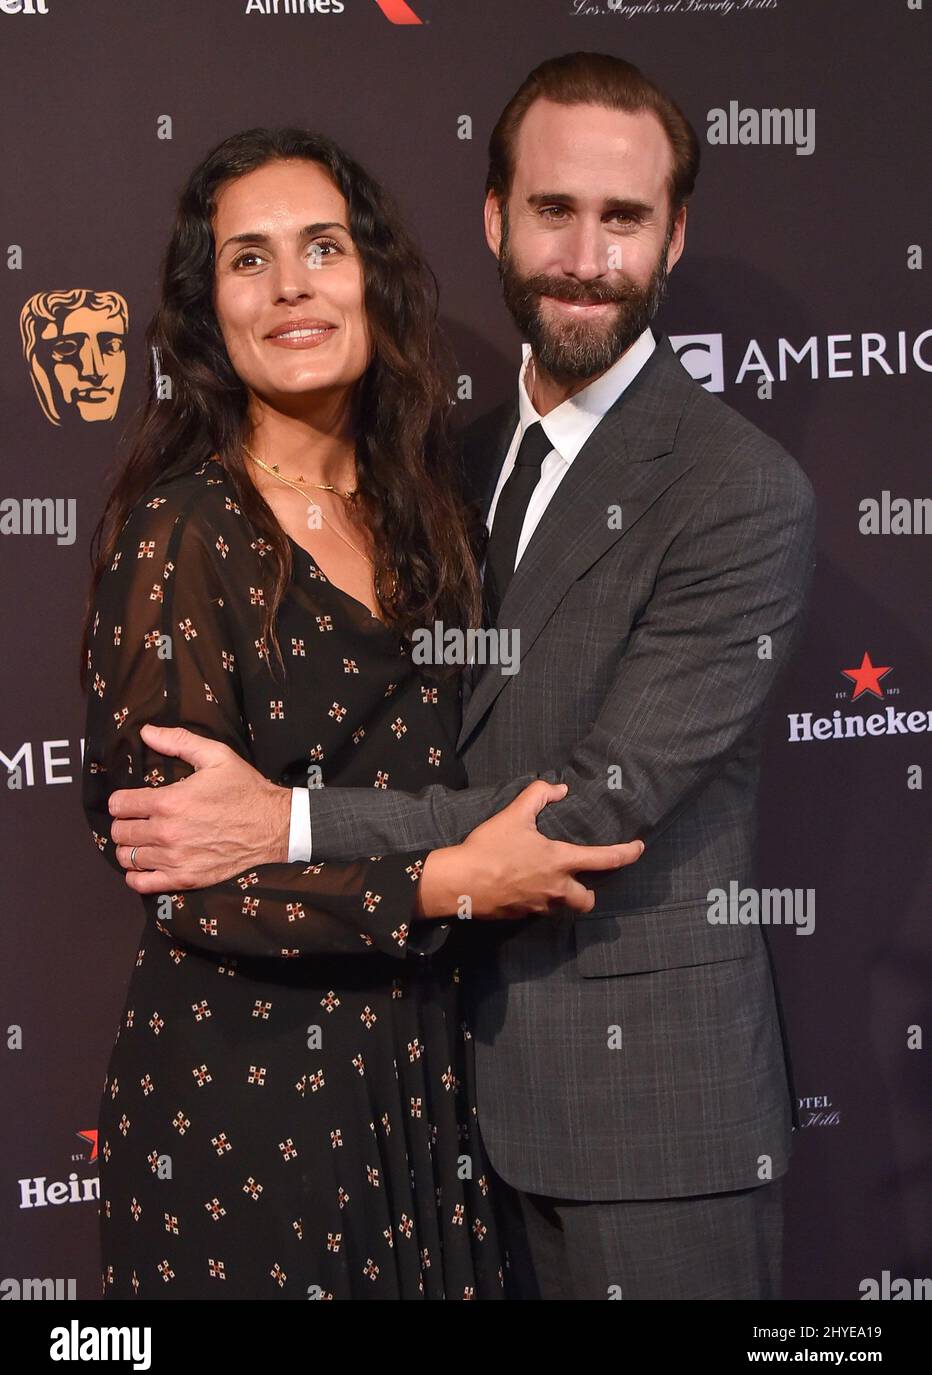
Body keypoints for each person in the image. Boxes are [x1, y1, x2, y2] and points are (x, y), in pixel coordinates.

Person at [108, 54, 818, 1300]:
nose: (584, 256)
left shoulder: (735, 491)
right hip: (427, 1111)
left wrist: (288, 819)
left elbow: (587, 810)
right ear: (494, 219)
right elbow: (175, 846)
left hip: (644, 1120)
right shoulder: (456, 466)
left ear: (672, 237)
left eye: (623, 218)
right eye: (553, 210)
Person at [79, 125, 643, 1301]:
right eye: (248, 259)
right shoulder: (184, 531)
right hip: (244, 1100)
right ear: (206, 309)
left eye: (321, 248)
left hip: (427, 1080)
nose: (290, 285)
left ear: (371, 277)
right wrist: (448, 882)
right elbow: (185, 875)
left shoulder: (426, 508)